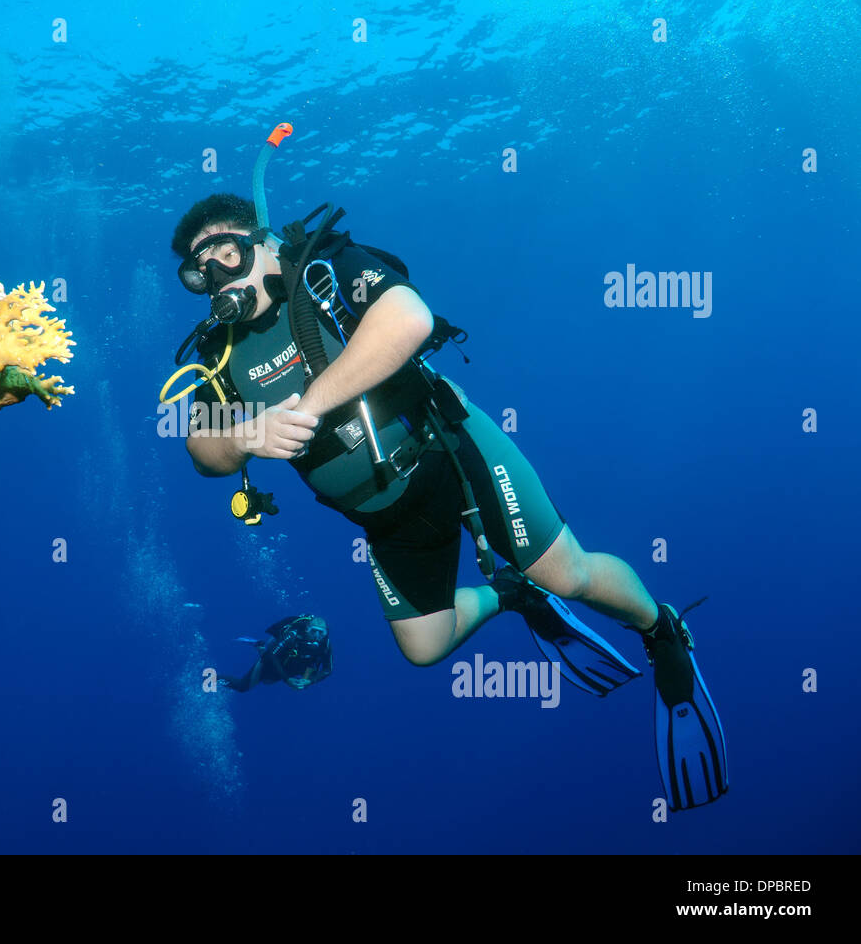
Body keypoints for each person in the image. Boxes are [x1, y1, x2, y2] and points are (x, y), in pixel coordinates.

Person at [168, 191, 727, 810]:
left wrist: (304, 408)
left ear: (265, 243)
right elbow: (200, 450)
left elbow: (408, 319)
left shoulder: (325, 267)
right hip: (383, 516)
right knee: (425, 647)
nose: (219, 274)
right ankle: (512, 594)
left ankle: (659, 627)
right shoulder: (218, 355)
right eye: (201, 269)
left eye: (229, 252)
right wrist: (246, 434)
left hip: (451, 455)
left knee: (570, 574)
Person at [219, 615, 333, 692]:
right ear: (307, 629)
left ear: (325, 632)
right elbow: (272, 655)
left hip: (298, 665)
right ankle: (211, 678)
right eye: (314, 631)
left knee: (299, 685)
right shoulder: (292, 635)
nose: (317, 636)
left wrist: (309, 681)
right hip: (275, 659)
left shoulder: (325, 644)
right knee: (242, 687)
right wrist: (287, 679)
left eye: (321, 633)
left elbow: (328, 669)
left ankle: (295, 678)